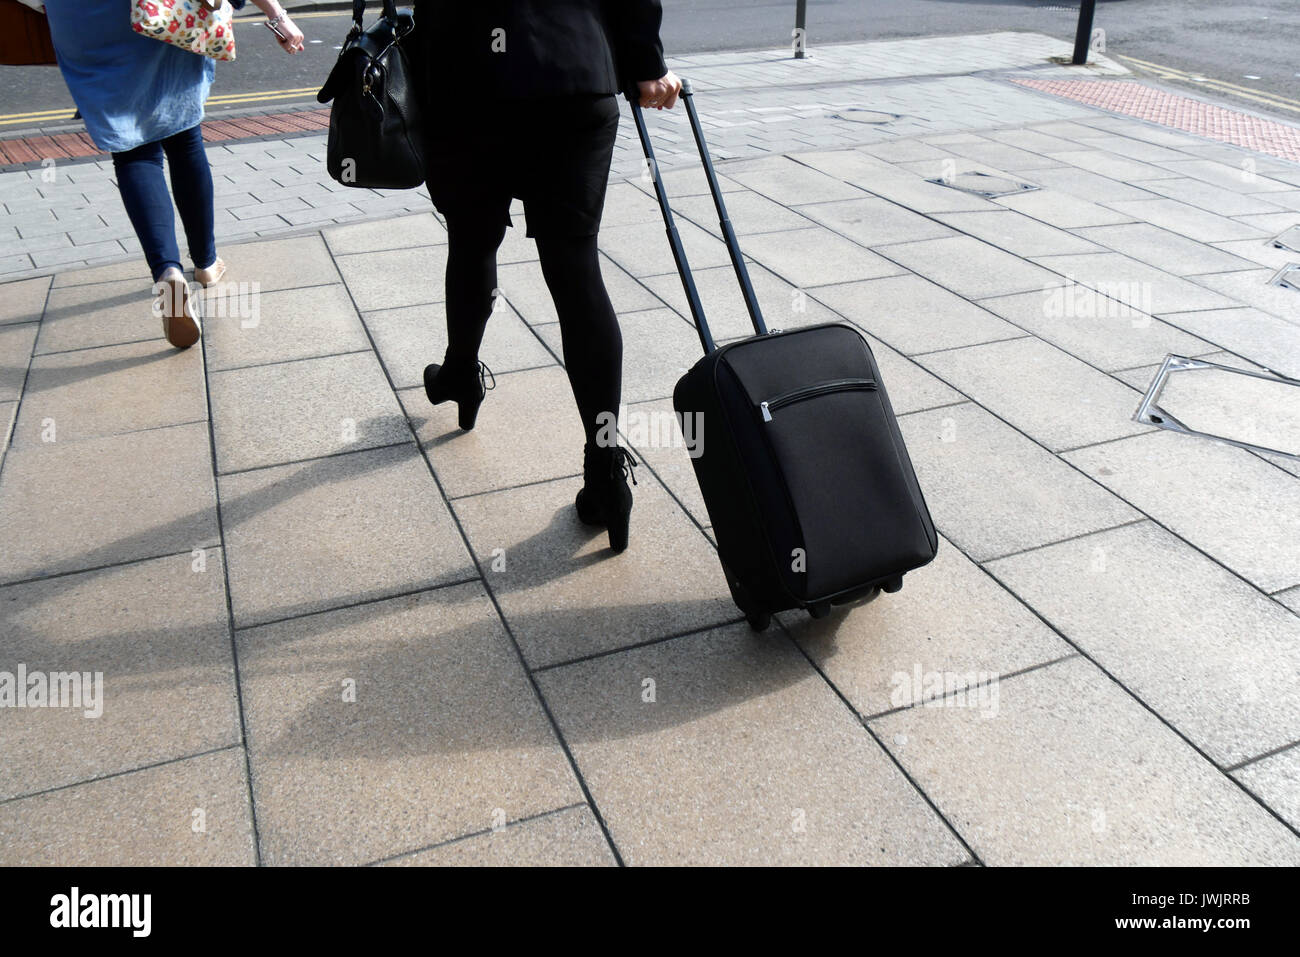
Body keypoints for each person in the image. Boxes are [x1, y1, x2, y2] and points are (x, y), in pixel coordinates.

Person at [411, 0, 681, 554]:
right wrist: (647, 63)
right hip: (572, 71)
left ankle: (460, 374)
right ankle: (604, 469)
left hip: (465, 81)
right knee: (575, 270)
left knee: (472, 241)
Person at [37, 0, 305, 348]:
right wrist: (276, 14)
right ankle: (206, 261)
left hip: (83, 20)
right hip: (157, 12)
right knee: (184, 138)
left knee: (134, 152)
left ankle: (168, 271)